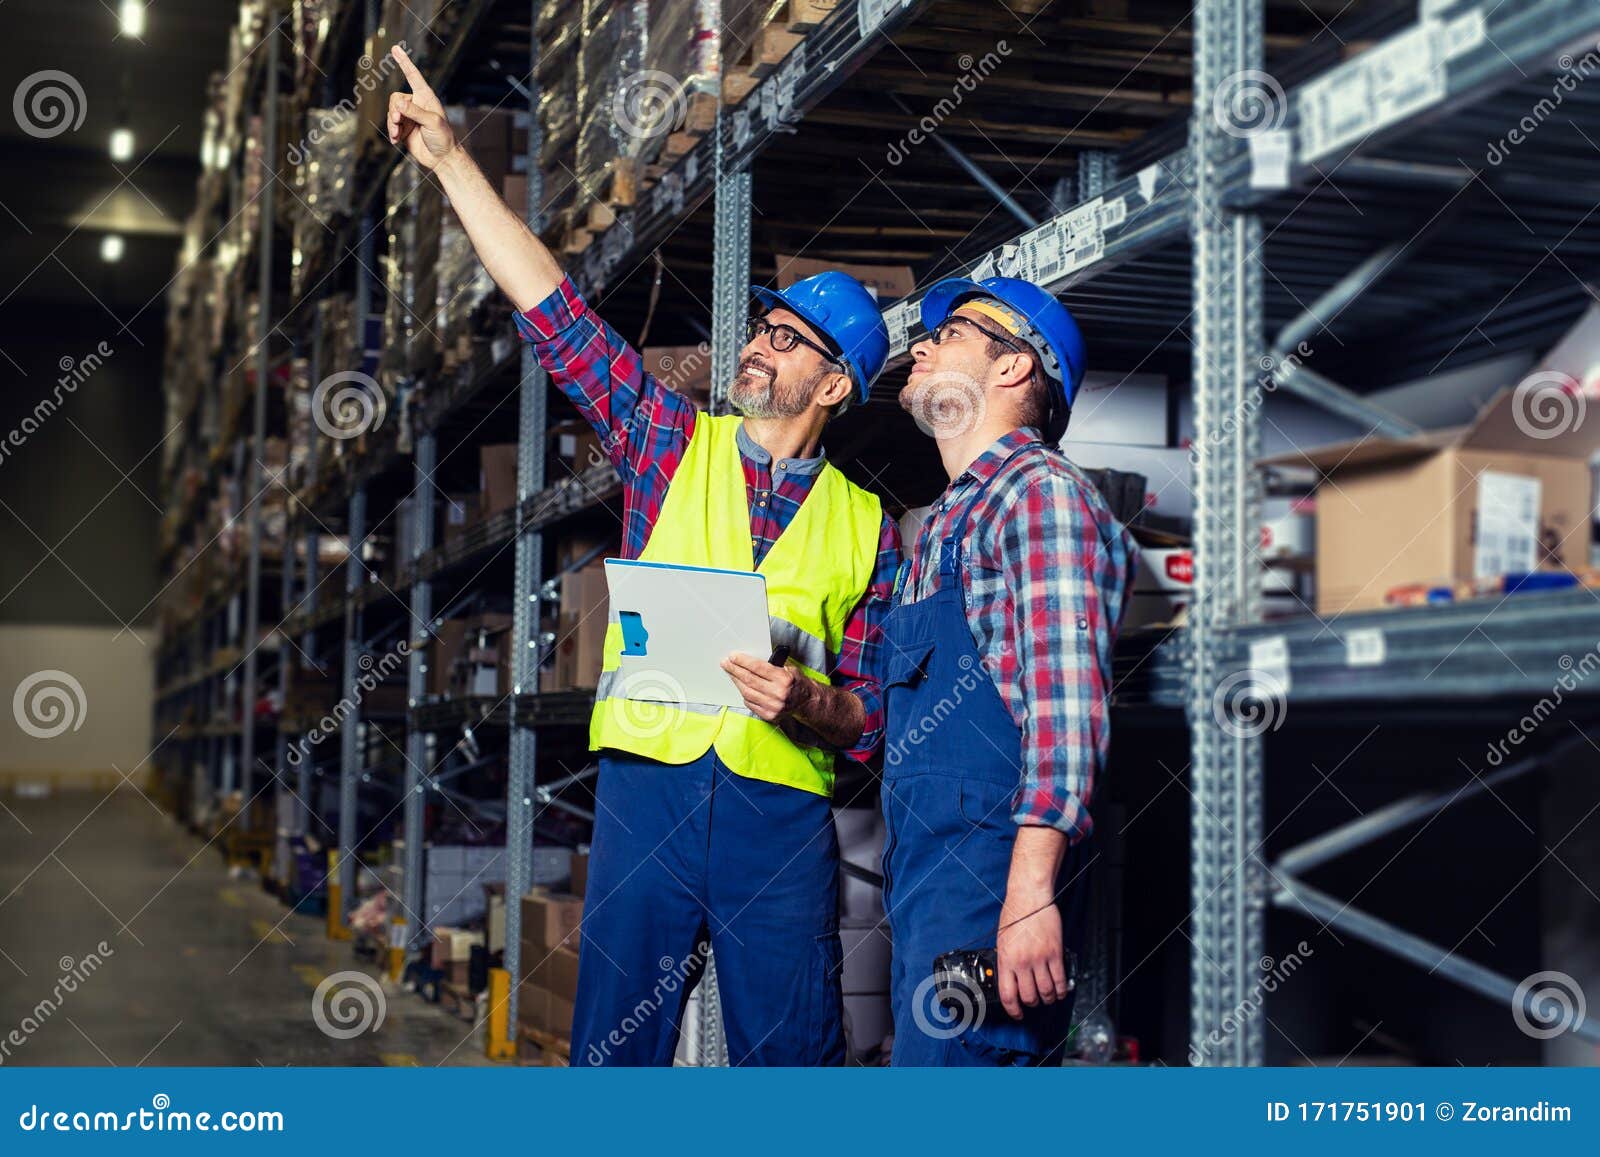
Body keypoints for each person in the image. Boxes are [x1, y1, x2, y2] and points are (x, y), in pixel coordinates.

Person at [387, 47, 900, 1066]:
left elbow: (871, 712)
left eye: (790, 341)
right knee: (612, 1062)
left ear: (836, 387)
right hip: (647, 805)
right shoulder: (673, 445)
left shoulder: (869, 523)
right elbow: (555, 315)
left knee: (792, 1060)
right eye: (761, 327)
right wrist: (450, 165)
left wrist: (806, 700)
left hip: (779, 822)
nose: (757, 345)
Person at [881, 275, 1139, 1066]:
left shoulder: (1039, 496)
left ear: (1012, 369)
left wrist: (1029, 892)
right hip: (928, 868)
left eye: (950, 333)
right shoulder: (946, 520)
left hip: (988, 873)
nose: (921, 347)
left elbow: (1068, 706)